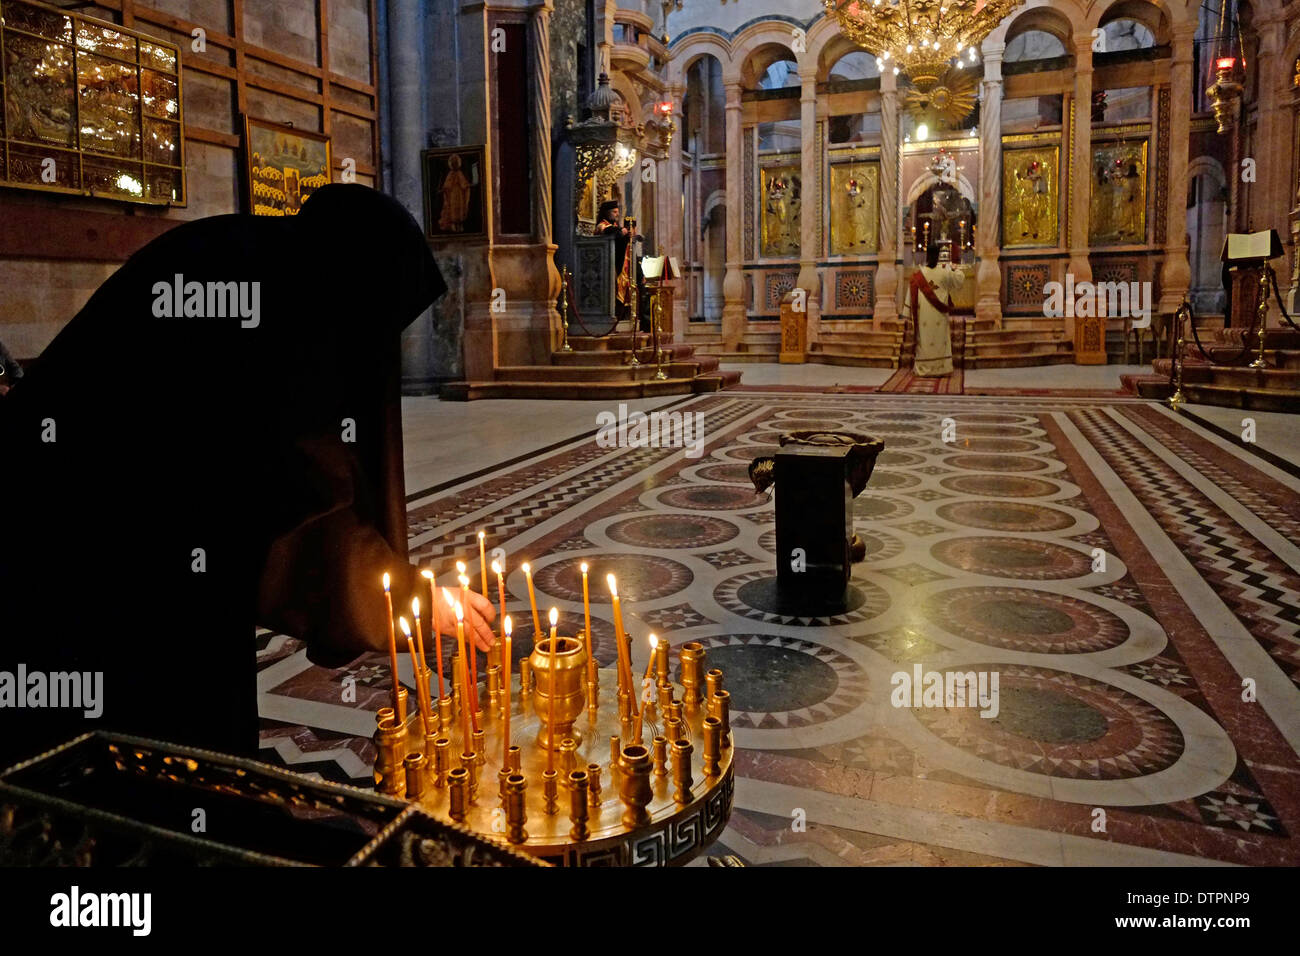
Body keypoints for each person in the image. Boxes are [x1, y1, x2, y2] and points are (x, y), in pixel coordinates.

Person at [0, 184, 496, 769]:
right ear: (359, 286)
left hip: (95, 532)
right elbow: (304, 510)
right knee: (148, 761)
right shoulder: (284, 306)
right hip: (91, 562)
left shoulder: (249, 259)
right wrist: (416, 598)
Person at [908, 242, 964, 377]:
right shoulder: (945, 272)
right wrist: (954, 268)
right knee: (939, 339)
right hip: (939, 315)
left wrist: (909, 314)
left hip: (924, 316)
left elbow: (911, 298)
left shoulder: (919, 274)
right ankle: (941, 368)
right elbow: (960, 280)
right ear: (939, 256)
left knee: (926, 340)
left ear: (927, 255)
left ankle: (924, 367)